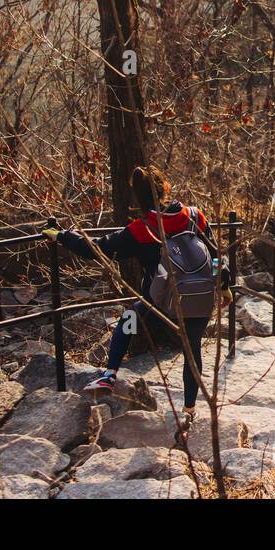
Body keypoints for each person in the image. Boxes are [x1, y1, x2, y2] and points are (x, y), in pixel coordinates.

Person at [43, 165, 221, 436]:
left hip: (161, 304)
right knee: (192, 352)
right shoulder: (195, 216)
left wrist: (62, 236)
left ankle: (110, 374)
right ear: (166, 188)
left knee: (129, 318)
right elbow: (215, 252)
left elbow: (97, 249)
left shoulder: (141, 228)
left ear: (137, 198)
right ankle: (189, 412)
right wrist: (226, 287)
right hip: (200, 296)